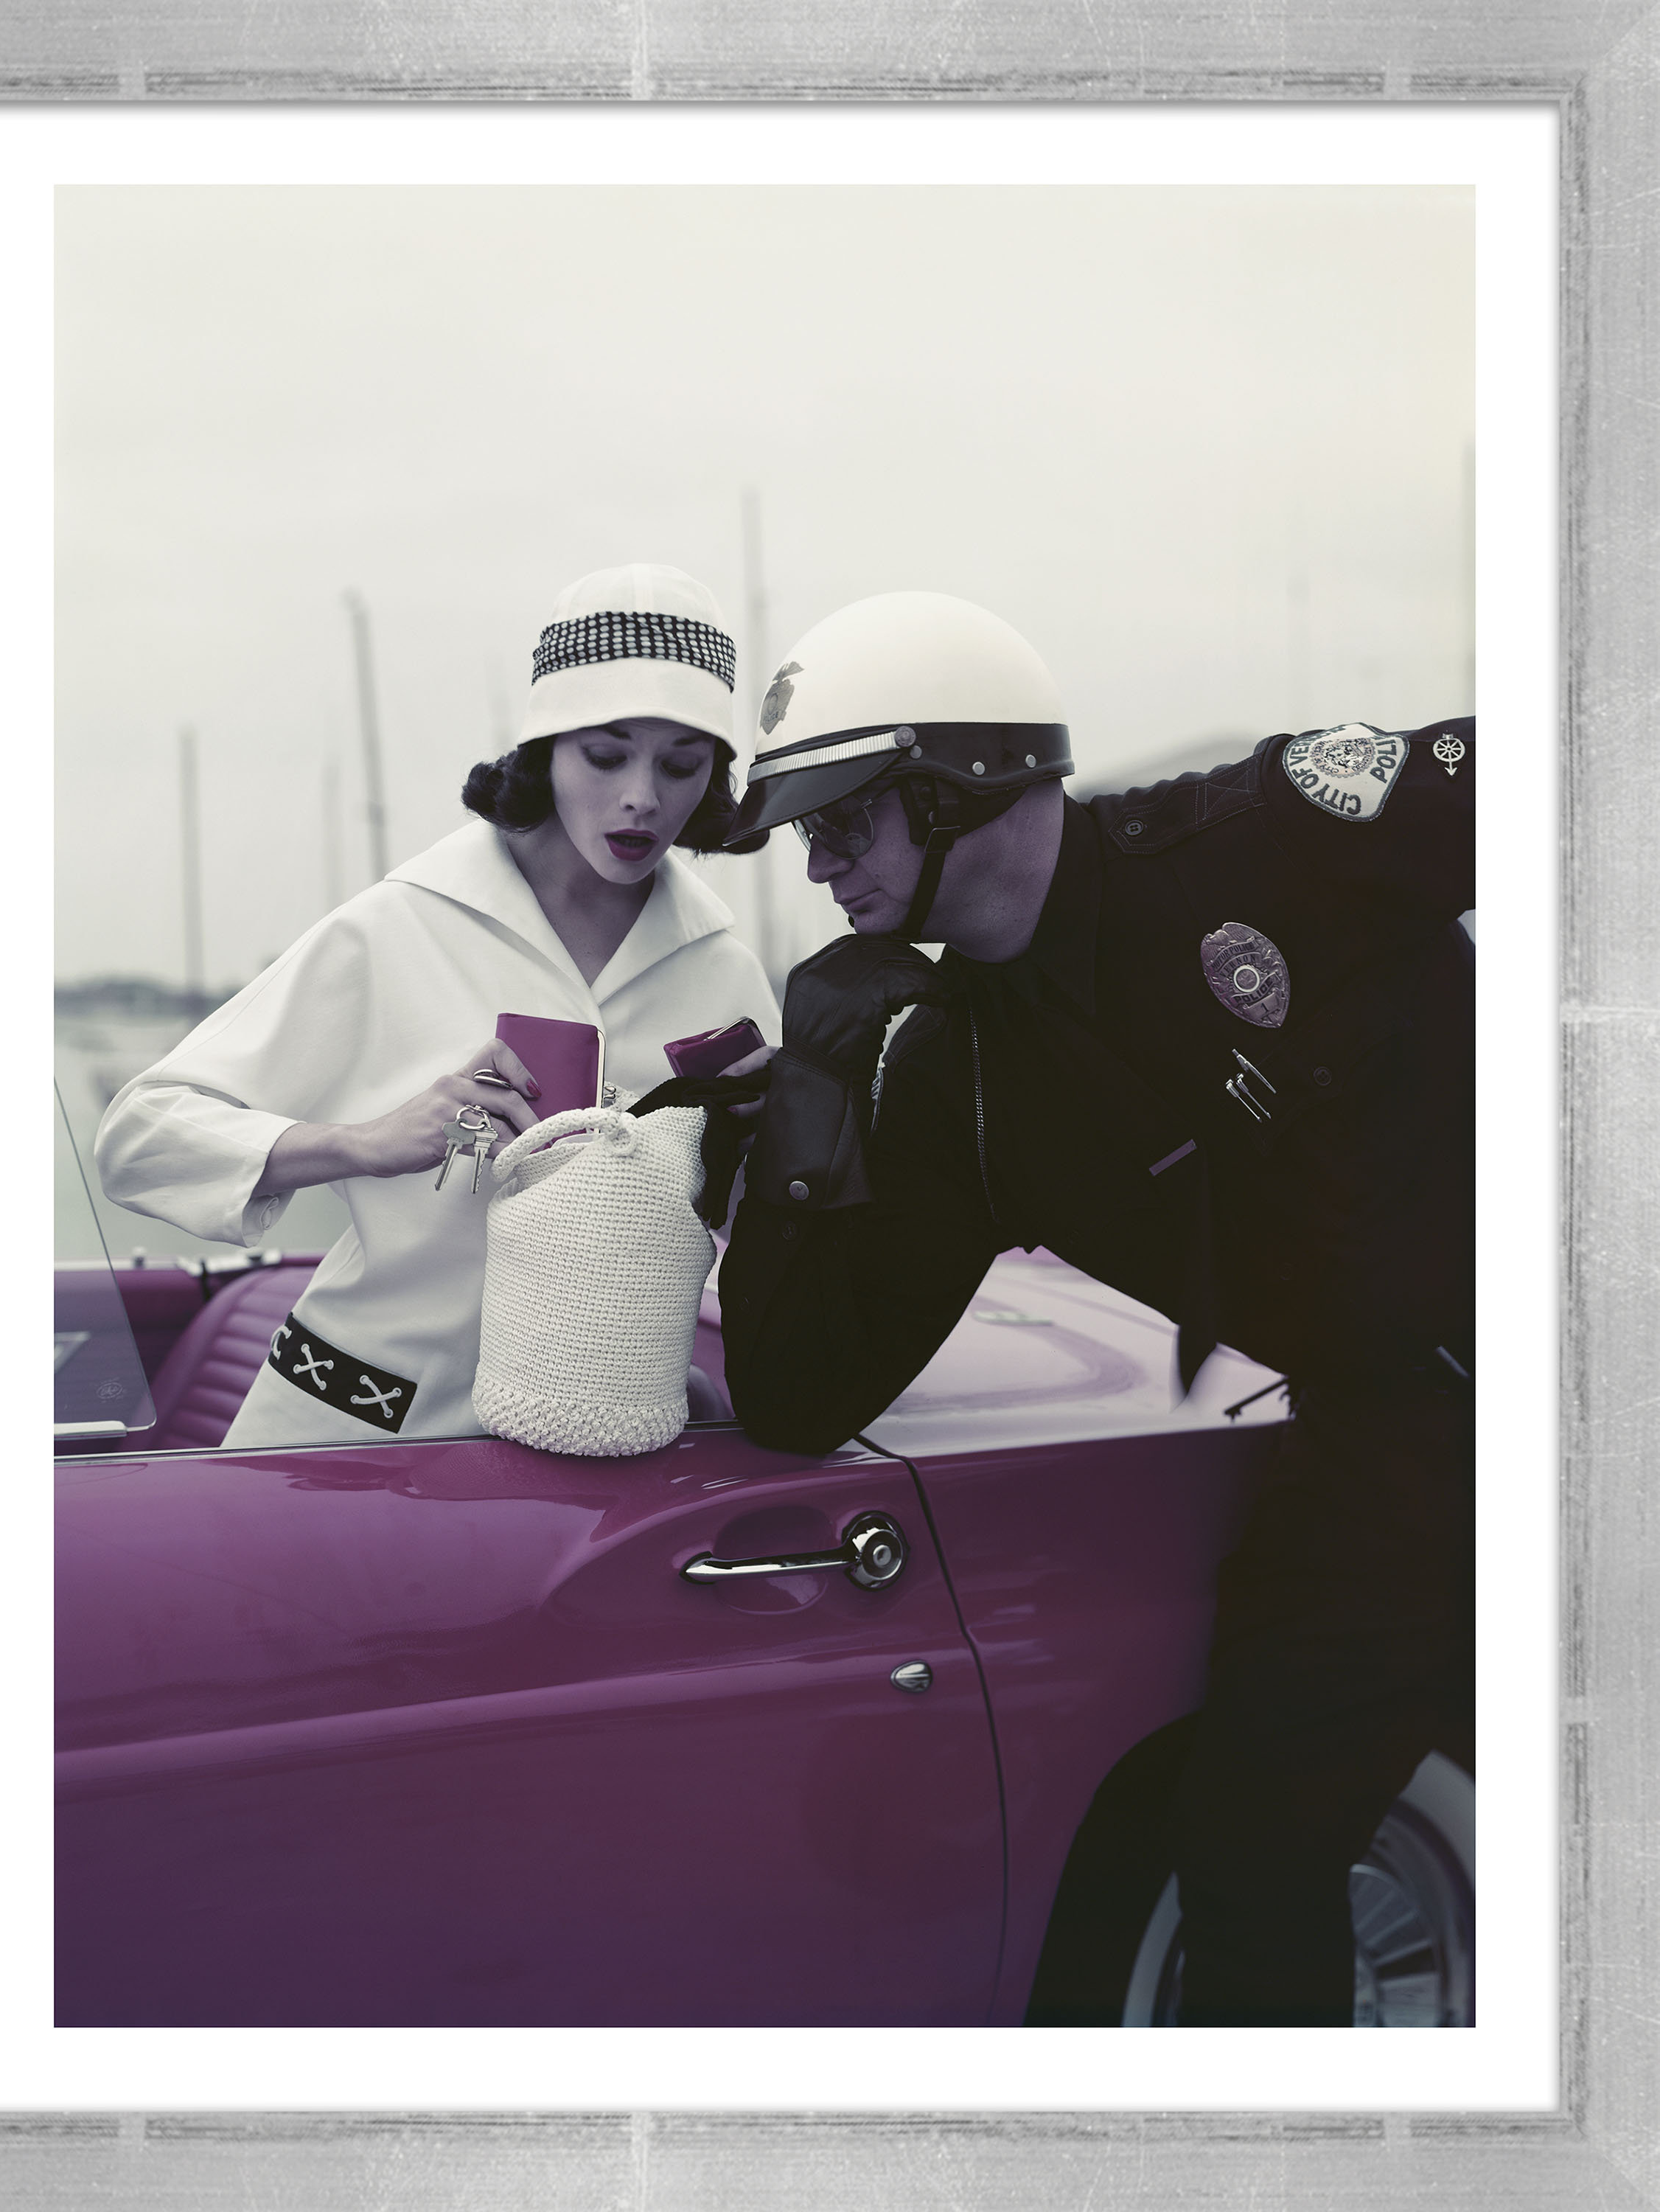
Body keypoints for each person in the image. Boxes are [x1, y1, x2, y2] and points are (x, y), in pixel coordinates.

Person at [716, 588, 1473, 2028]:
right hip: (1384, 1451)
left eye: (840, 822)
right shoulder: (955, 1087)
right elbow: (797, 1394)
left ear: (953, 792)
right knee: (1245, 1850)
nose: (813, 867)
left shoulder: (1267, 832)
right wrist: (813, 1096)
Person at [96, 564, 778, 1450]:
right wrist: (362, 1143)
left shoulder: (723, 975)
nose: (642, 795)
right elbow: (139, 1138)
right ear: (544, 752)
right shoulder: (398, 926)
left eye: (680, 765)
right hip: (342, 1439)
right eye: (606, 755)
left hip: (591, 1460)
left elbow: (754, 1233)